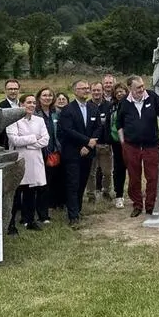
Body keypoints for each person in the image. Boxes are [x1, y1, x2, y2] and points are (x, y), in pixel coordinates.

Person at [117, 76, 159, 217]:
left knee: (152, 176)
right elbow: (119, 124)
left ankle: (150, 205)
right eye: (138, 87)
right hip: (132, 146)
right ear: (130, 88)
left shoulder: (152, 97)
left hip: (151, 145)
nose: (142, 89)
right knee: (134, 177)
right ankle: (137, 205)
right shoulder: (124, 102)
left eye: (142, 86)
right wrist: (123, 143)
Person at [58, 80, 102, 227]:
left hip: (87, 153)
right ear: (75, 91)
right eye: (82, 88)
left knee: (82, 182)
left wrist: (89, 146)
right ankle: (73, 216)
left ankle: (78, 209)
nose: (86, 90)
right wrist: (85, 142)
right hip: (73, 153)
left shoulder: (93, 107)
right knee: (73, 184)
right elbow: (68, 131)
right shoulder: (68, 110)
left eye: (87, 88)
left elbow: (98, 128)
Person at [7, 94, 50, 232]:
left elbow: (45, 140)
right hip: (19, 160)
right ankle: (11, 223)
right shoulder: (14, 121)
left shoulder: (39, 120)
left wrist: (28, 144)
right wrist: (33, 138)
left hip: (35, 160)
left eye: (33, 103)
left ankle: (29, 220)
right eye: (28, 102)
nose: (31, 105)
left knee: (31, 192)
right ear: (21, 104)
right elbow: (15, 140)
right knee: (16, 193)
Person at [36, 86, 64, 218]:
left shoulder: (55, 112)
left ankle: (53, 204)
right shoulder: (36, 113)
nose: (47, 98)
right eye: (44, 95)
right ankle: (42, 211)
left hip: (55, 152)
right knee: (42, 183)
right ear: (39, 98)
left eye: (50, 95)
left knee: (54, 180)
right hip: (40, 152)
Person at [88, 82, 115, 203]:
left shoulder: (109, 106)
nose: (96, 92)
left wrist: (110, 141)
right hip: (91, 145)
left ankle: (106, 191)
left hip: (105, 145)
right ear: (90, 91)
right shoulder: (87, 106)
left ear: (103, 91)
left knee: (107, 172)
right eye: (94, 90)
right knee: (91, 173)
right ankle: (91, 195)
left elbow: (111, 124)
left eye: (98, 90)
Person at [109, 83, 129, 209]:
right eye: (117, 93)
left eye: (122, 91)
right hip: (117, 142)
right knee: (119, 169)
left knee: (133, 169)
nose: (120, 94)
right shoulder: (111, 107)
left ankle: (135, 194)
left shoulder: (131, 104)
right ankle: (119, 195)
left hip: (131, 142)